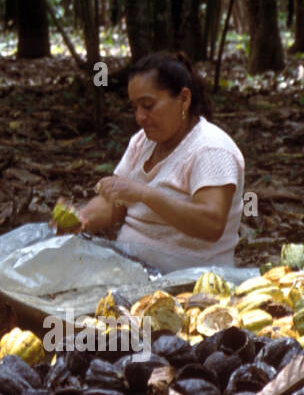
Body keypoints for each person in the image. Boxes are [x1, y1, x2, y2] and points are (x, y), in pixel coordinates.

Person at [70, 52, 244, 273]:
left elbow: (211, 224)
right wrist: (81, 217)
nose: (140, 117)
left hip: (190, 281)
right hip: (133, 269)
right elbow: (114, 202)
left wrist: (145, 194)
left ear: (184, 99)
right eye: (135, 107)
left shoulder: (211, 149)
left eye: (148, 106)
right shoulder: (142, 142)